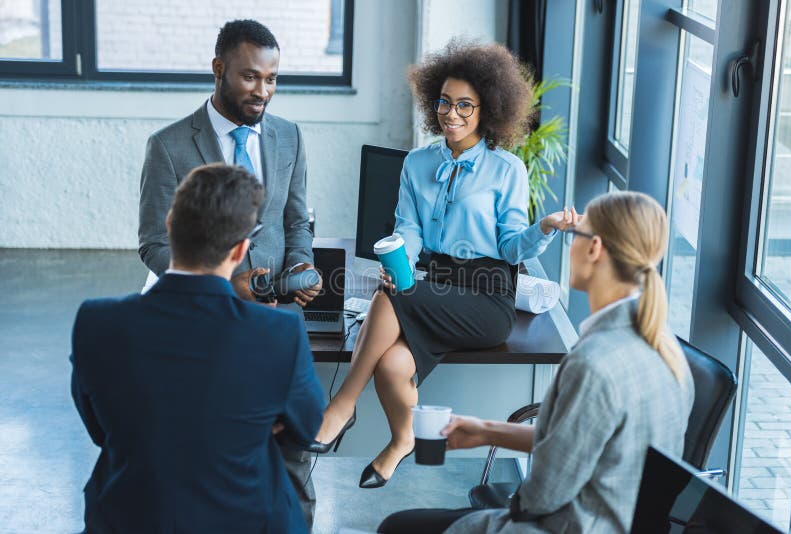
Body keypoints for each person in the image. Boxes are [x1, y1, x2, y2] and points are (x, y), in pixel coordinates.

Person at [311, 40, 579, 489]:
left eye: (464, 106)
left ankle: (341, 405)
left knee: (394, 296)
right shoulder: (417, 163)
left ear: (487, 109)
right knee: (392, 364)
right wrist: (400, 260)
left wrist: (545, 227)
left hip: (488, 296)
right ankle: (403, 441)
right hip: (433, 285)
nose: (450, 114)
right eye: (443, 102)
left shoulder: (507, 169)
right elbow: (408, 229)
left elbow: (512, 249)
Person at [378, 191, 696, 533]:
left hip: (566, 526)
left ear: (594, 249)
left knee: (397, 527)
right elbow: (583, 445)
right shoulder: (665, 348)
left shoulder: (593, 363)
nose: (570, 245)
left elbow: (540, 498)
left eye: (575, 235)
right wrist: (487, 431)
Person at [71, 164, 325, 533]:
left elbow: (101, 430)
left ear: (171, 223)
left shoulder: (96, 322)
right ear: (240, 250)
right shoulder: (279, 333)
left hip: (129, 520)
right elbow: (304, 430)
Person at [137, 19, 321, 524]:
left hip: (277, 316)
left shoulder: (289, 137)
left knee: (293, 450)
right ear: (218, 70)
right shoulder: (169, 145)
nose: (263, 91)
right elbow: (154, 242)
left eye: (272, 78)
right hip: (203, 318)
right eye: (249, 77)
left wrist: (302, 264)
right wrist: (217, 282)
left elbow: (296, 219)